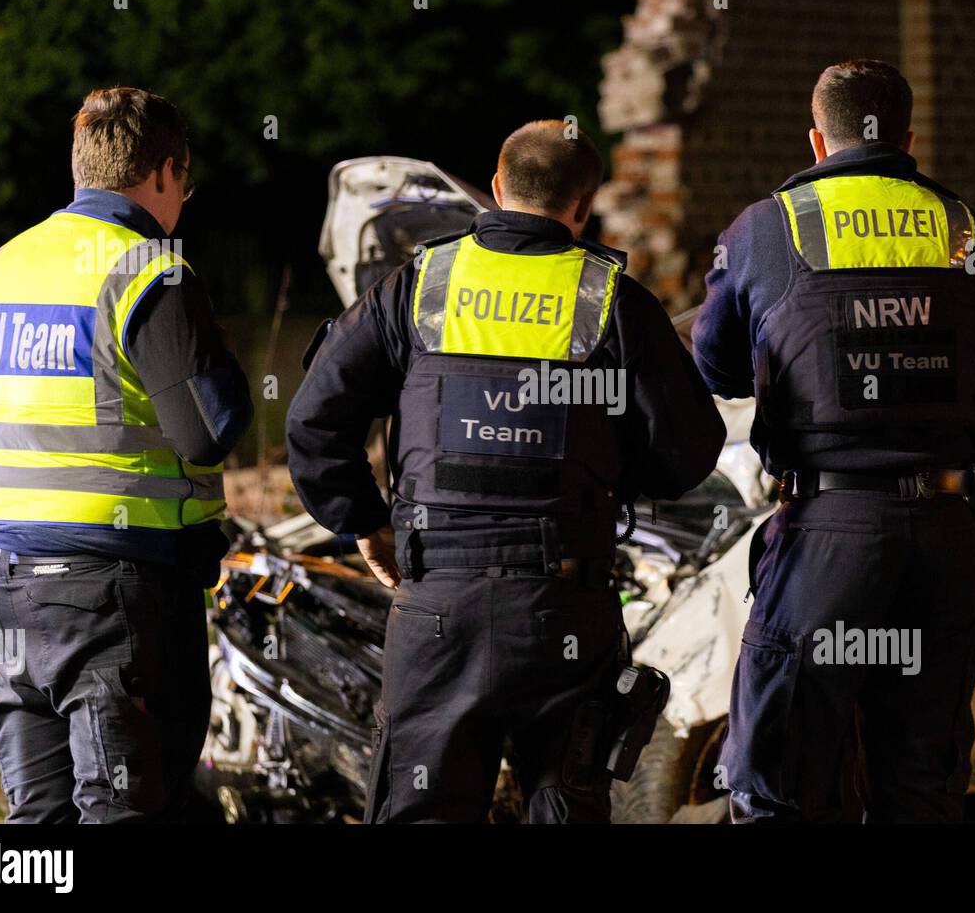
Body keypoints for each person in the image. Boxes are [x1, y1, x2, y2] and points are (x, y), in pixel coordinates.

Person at [286, 120, 724, 823]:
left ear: (496, 189)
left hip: (436, 605)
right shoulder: (614, 301)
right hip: (563, 608)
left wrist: (364, 522)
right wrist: (606, 475)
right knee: (565, 807)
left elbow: (313, 420)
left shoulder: (420, 286)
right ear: (585, 206)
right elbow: (688, 452)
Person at [693, 59, 975, 822]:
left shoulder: (770, 227)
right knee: (922, 789)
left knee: (778, 781)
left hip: (832, 536)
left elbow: (715, 364)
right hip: (947, 535)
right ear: (910, 139)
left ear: (817, 141)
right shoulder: (962, 227)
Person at [0, 87, 253, 822]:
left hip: (12, 585)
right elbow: (207, 430)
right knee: (121, 808)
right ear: (164, 171)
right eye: (184, 182)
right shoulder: (150, 272)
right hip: (116, 592)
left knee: (38, 821)